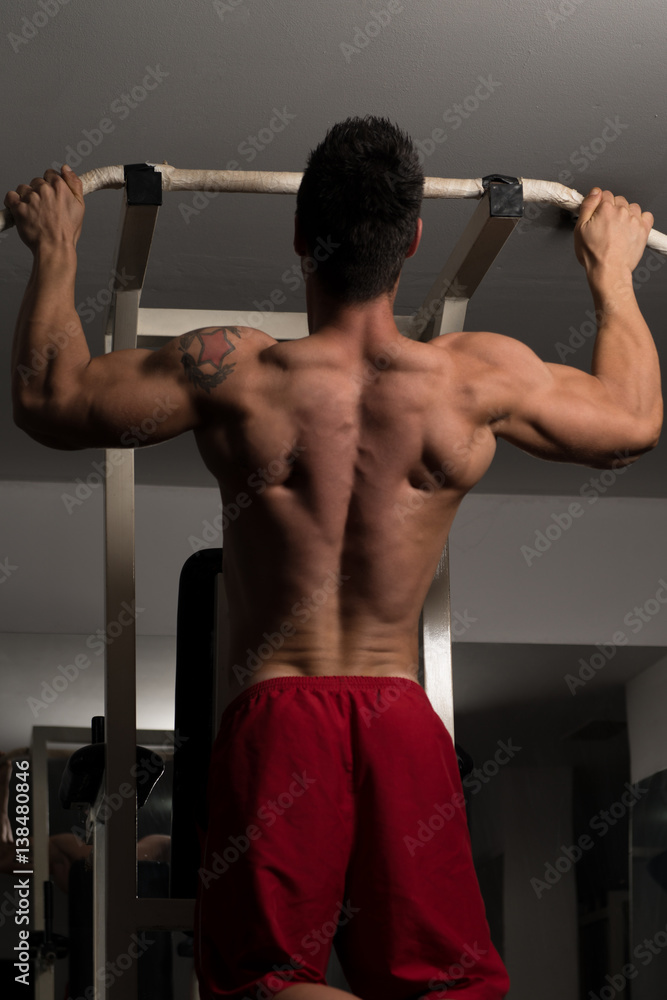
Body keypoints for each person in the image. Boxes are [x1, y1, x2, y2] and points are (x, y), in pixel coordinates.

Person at [5, 116, 661, 1000]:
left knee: (257, 983)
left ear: (299, 237)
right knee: (449, 985)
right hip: (401, 719)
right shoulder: (471, 379)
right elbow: (630, 425)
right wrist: (611, 276)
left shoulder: (236, 369)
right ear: (415, 240)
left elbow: (51, 398)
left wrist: (56, 247)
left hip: (281, 716)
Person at [0, 751, 170, 894]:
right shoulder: (67, 854)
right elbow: (6, 851)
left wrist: (4, 777)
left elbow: (6, 852)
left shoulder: (155, 846)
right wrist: (4, 778)